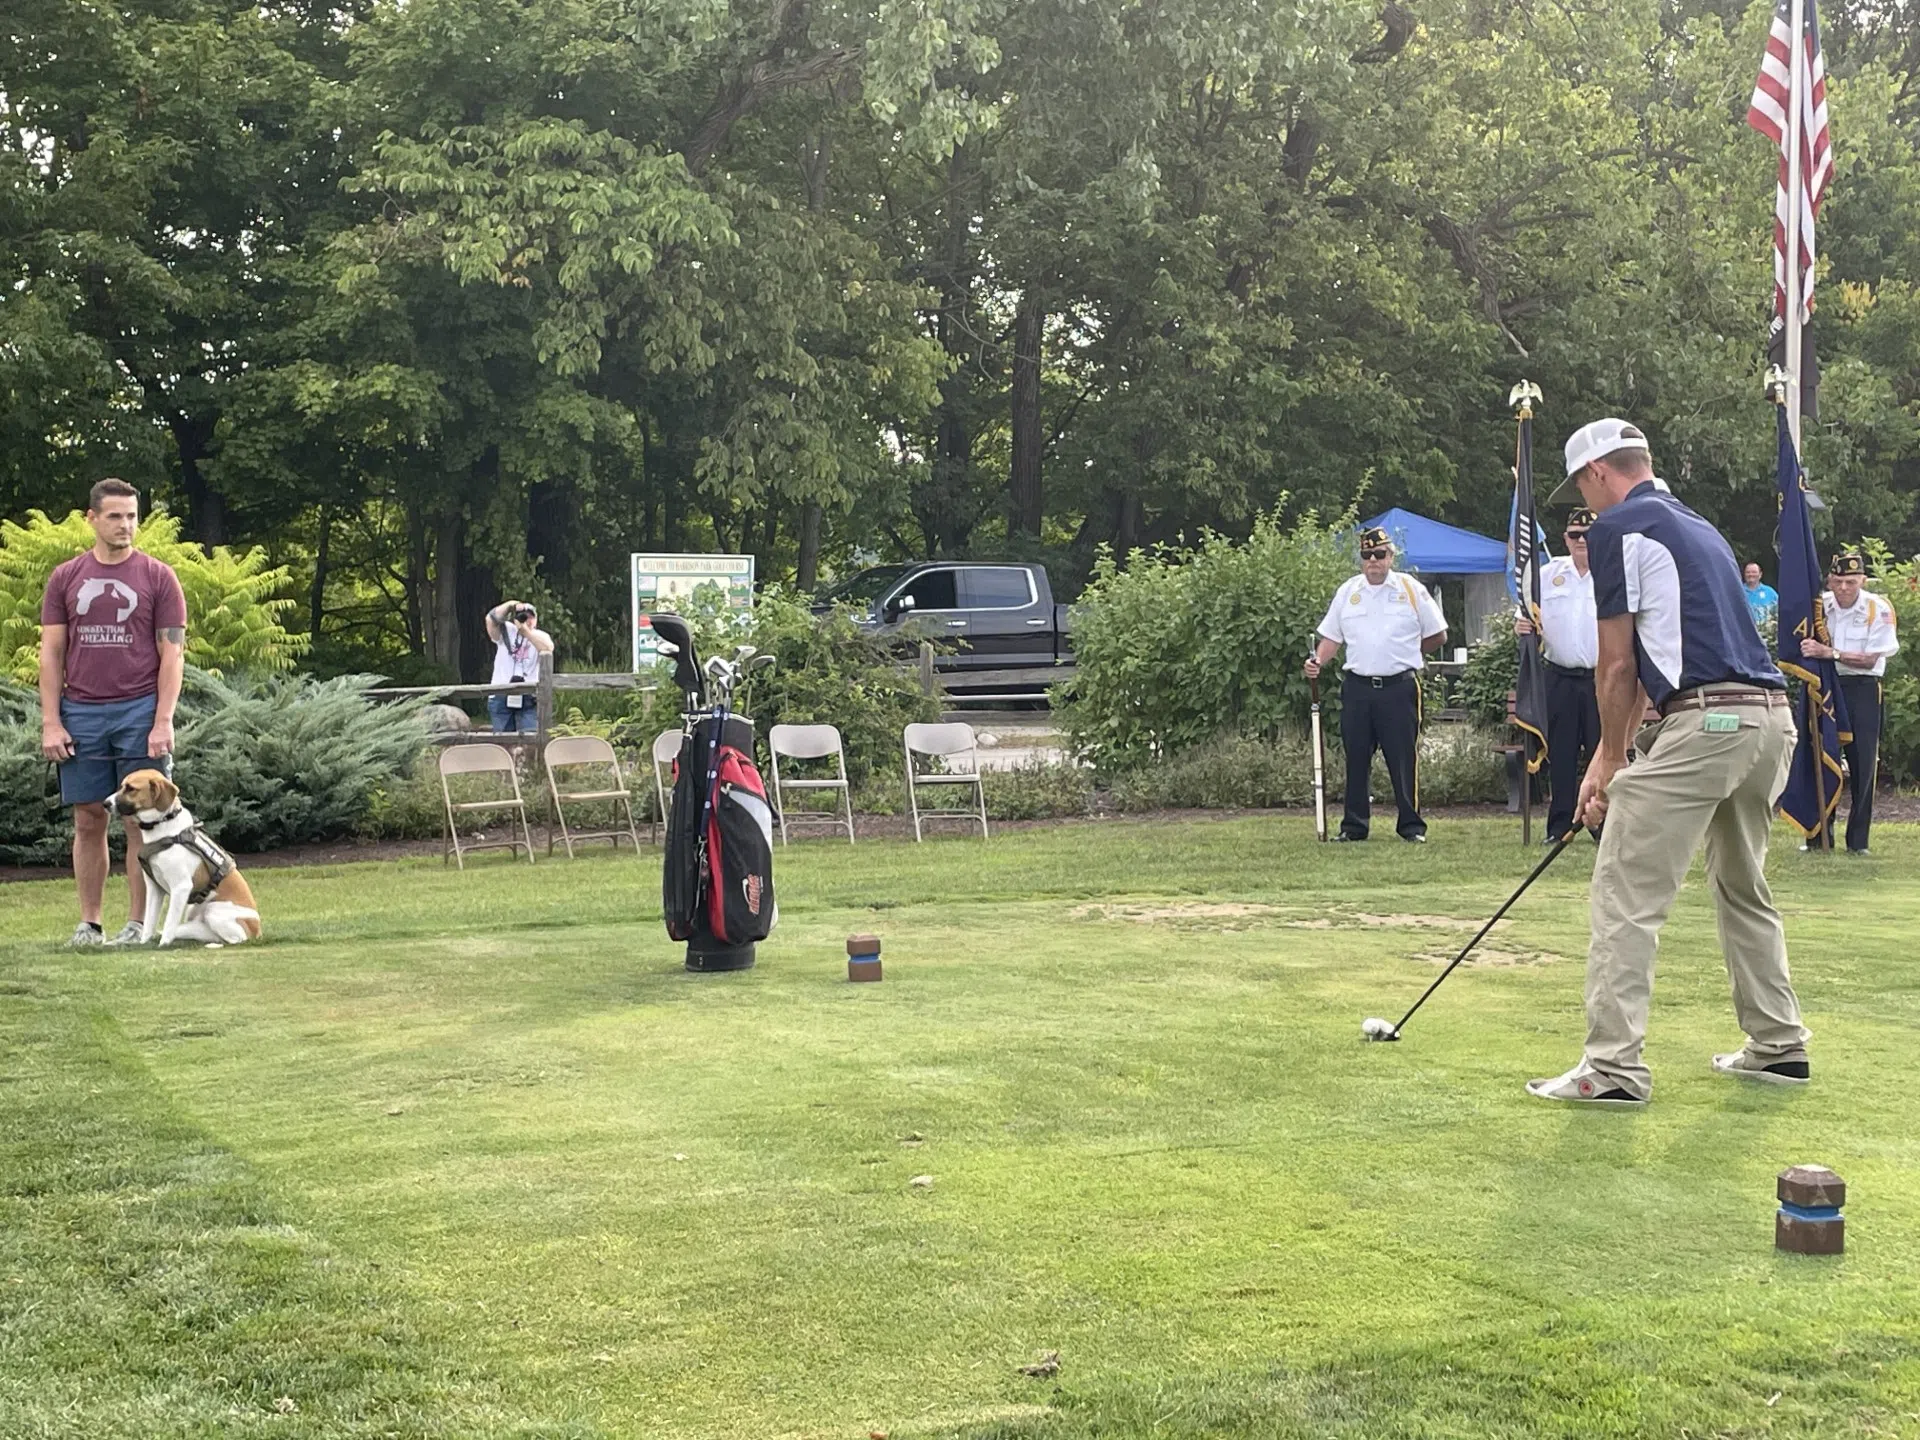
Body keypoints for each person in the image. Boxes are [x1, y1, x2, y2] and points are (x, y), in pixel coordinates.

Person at [1525, 418, 1805, 1106]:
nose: (1582, 512)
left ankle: (1613, 1070)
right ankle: (1779, 1044)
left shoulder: (1618, 530)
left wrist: (1611, 761)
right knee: (1743, 885)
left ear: (1596, 474)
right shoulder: (1698, 528)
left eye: (1581, 493)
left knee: (1627, 886)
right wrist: (1614, 759)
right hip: (1768, 722)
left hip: (1709, 721)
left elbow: (1618, 665)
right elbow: (1667, 656)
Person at [38, 479, 188, 947]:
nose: (125, 526)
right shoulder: (66, 578)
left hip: (139, 710)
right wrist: (51, 720)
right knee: (88, 818)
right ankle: (90, 924)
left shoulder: (158, 577)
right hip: (81, 711)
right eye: (115, 516)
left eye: (131, 517)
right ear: (92, 518)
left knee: (139, 820)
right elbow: (51, 653)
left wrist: (163, 720)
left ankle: (139, 925)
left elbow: (173, 655)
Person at [1304, 526, 1448, 842]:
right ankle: (1354, 827)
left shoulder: (1410, 589)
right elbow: (1331, 637)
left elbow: (1438, 633)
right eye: (1367, 555)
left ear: (1391, 557)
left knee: (1402, 759)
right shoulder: (1348, 592)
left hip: (1399, 687)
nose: (1373, 561)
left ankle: (1411, 826)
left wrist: (1410, 651)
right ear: (1361, 559)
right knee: (1355, 758)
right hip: (1358, 688)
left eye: (1379, 555)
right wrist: (1317, 661)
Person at [1800, 550, 1898, 854]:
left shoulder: (1877, 608)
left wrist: (1831, 653)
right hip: (1828, 685)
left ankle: (1858, 843)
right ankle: (1818, 837)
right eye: (1838, 581)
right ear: (1830, 579)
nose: (1843, 588)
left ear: (1863, 581)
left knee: (1863, 763)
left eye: (1851, 582)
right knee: (1820, 757)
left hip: (1863, 688)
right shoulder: (1820, 607)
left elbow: (1871, 660)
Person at [1516, 507, 1600, 843]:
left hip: (1601, 679)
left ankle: (1601, 825)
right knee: (1561, 755)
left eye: (1589, 535)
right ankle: (1559, 826)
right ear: (1565, 538)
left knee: (1601, 753)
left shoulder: (1614, 574)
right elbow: (1526, 618)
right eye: (1575, 535)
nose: (1582, 541)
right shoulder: (1545, 574)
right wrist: (1521, 626)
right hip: (1560, 677)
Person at [484, 599, 554, 733]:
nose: (527, 619)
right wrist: (511, 605)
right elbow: (490, 619)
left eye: (530, 616)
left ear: (536, 619)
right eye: (523, 616)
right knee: (503, 744)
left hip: (529, 695)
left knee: (530, 743)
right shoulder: (506, 630)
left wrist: (526, 631)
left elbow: (547, 649)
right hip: (501, 693)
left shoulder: (541, 636)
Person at [1742, 562, 1780, 631]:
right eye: (1748, 572)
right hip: (1745, 633)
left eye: (1754, 572)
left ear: (1760, 574)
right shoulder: (1739, 592)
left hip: (1767, 635)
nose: (1751, 574)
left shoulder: (1770, 592)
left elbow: (1780, 611)